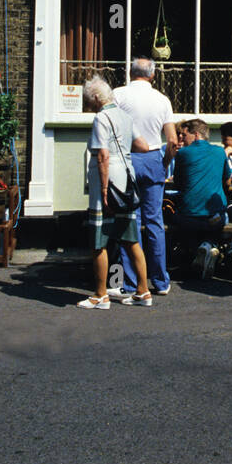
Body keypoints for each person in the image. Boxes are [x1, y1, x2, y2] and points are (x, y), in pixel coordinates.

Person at [77, 76, 152, 310]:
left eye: (89, 100)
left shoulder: (101, 117)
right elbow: (143, 146)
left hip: (108, 182)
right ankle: (143, 291)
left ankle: (101, 295)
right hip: (127, 180)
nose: (89, 104)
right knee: (130, 239)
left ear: (97, 98)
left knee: (98, 241)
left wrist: (103, 190)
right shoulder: (125, 116)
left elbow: (103, 155)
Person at [111, 57, 178, 297]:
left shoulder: (118, 95)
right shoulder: (162, 100)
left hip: (125, 158)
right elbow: (172, 141)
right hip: (152, 159)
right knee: (154, 222)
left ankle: (131, 282)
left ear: (130, 73)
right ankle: (160, 281)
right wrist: (164, 163)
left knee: (130, 222)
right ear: (152, 75)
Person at [171, 119, 230, 278]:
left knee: (178, 215)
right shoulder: (220, 152)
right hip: (215, 218)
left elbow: (178, 182)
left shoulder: (182, 153)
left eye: (184, 135)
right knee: (224, 215)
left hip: (188, 218)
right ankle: (209, 244)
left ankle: (198, 249)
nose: (182, 139)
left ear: (196, 135)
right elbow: (228, 181)